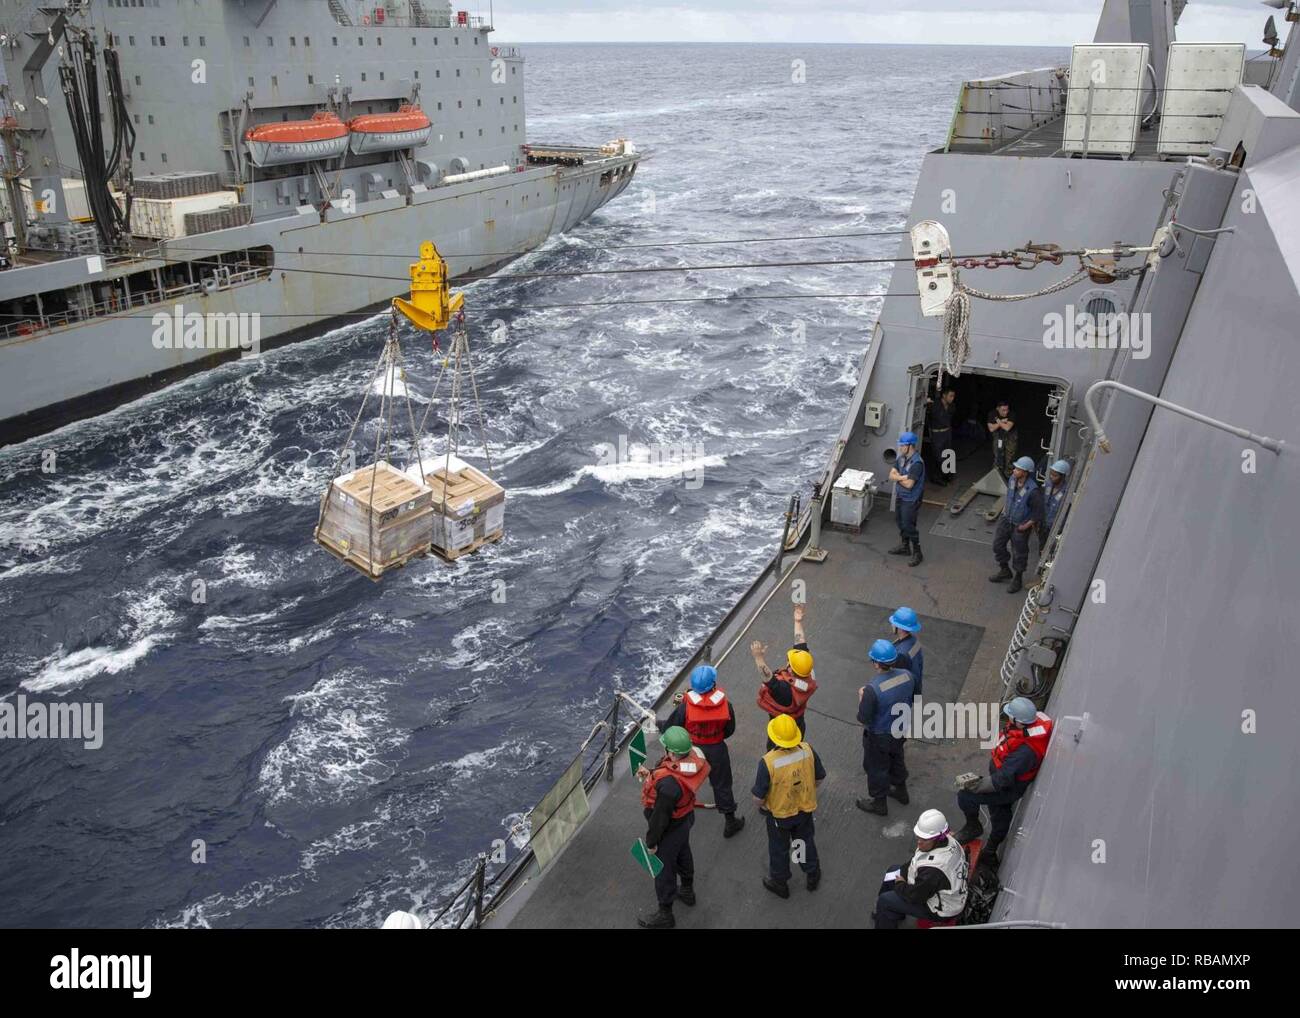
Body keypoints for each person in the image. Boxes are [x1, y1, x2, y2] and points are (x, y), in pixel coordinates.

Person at [955, 697, 1054, 869]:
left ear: (1019, 722)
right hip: (1001, 778)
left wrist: (977, 785)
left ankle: (977, 832)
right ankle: (990, 851)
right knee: (1000, 814)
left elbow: (1003, 780)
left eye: (1010, 716)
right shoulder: (1026, 728)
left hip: (1007, 788)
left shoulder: (1025, 752)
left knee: (966, 796)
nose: (1007, 718)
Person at [635, 726, 711, 929]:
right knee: (683, 853)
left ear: (672, 752)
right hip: (685, 819)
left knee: (663, 868)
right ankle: (687, 891)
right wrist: (650, 773)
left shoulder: (668, 786)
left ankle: (665, 913)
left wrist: (651, 843)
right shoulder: (688, 762)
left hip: (669, 826)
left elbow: (660, 818)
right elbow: (671, 774)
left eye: (666, 748)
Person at [658, 664, 745, 838]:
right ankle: (730, 821)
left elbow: (671, 727)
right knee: (722, 785)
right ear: (713, 684)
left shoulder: (685, 707)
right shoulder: (726, 705)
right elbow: (730, 730)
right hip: (717, 749)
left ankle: (677, 814)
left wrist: (660, 724)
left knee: (681, 780)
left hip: (691, 749)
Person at [752, 714, 825, 898]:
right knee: (803, 841)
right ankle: (812, 873)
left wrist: (764, 806)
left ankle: (780, 882)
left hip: (779, 815)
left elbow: (758, 797)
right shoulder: (807, 750)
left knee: (779, 848)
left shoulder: (768, 761)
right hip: (804, 809)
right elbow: (820, 777)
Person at [873, 809, 969, 928]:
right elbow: (916, 861)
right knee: (893, 870)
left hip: (941, 909)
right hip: (935, 889)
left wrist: (900, 885)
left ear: (937, 838)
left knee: (885, 901)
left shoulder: (934, 871)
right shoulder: (948, 840)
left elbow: (915, 896)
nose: (919, 842)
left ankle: (886, 912)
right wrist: (903, 873)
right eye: (918, 837)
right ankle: (891, 913)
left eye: (924, 839)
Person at [856, 638, 915, 816]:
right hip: (899, 729)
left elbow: (863, 718)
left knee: (876, 767)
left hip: (879, 735)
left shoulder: (871, 690)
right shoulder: (908, 675)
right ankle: (901, 791)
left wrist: (862, 697)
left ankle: (879, 803)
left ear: (876, 663)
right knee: (897, 758)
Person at [752, 604, 817, 744]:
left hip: (782, 727)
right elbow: (801, 645)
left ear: (791, 668)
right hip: (799, 722)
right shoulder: (806, 671)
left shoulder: (785, 691)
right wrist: (797, 621)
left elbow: (768, 679)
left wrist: (758, 658)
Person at [989, 455, 1043, 595]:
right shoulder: (1013, 480)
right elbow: (1009, 497)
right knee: (997, 545)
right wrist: (1004, 513)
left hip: (1020, 526)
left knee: (1019, 553)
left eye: (1017, 469)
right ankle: (1005, 570)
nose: (1014, 471)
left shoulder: (1033, 491)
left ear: (1025, 472)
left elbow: (1038, 513)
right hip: (1006, 520)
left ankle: (1018, 578)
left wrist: (1025, 526)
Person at [887, 431, 925, 567]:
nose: (900, 447)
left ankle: (918, 552)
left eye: (902, 445)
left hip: (911, 499)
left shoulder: (917, 464)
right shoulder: (901, 458)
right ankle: (905, 546)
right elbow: (891, 475)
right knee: (900, 521)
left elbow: (909, 485)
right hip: (901, 496)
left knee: (909, 525)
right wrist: (902, 477)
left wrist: (898, 478)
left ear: (910, 446)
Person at [888, 606, 924, 698]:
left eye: (893, 623)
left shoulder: (901, 655)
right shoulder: (914, 641)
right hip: (915, 686)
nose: (892, 625)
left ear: (900, 628)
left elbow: (896, 680)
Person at [1038, 459, 1070, 556]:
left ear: (1063, 476)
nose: (1052, 477)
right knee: (1042, 548)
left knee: (1051, 552)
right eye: (1051, 474)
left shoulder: (1066, 493)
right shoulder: (1048, 485)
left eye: (1055, 475)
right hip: (1044, 525)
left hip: (1055, 528)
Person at [927, 387, 957, 487]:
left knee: (949, 454)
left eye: (953, 396)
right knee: (938, 456)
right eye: (950, 396)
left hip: (947, 432)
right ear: (944, 395)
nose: (952, 398)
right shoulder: (934, 405)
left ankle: (948, 475)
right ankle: (936, 477)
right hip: (937, 433)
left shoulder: (952, 406)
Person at [987, 399, 1018, 479]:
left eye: (1007, 410)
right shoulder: (992, 413)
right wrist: (1001, 421)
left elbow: (1007, 428)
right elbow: (991, 429)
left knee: (1010, 456)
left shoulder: (1012, 414)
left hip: (1010, 434)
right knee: (997, 454)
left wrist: (997, 421)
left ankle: (1008, 477)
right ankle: (996, 475)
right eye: (1003, 410)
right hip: (998, 434)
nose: (1005, 412)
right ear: (997, 408)